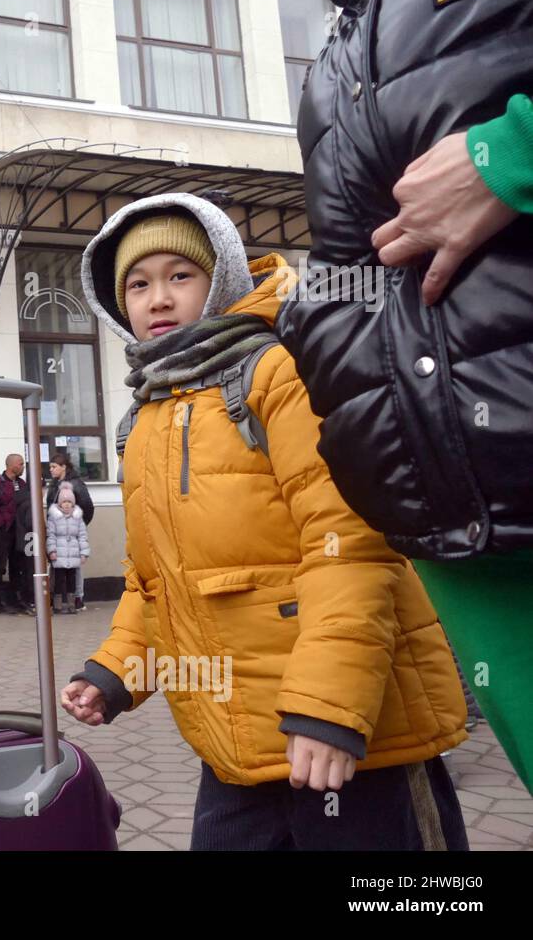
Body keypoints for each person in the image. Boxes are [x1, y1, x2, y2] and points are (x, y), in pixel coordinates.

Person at [61, 193, 470, 850]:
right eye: (138, 284)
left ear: (221, 275)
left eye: (179, 276)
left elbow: (351, 548)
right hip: (236, 746)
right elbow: (153, 581)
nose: (158, 299)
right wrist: (116, 672)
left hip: (355, 739)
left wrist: (330, 708)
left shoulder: (281, 371)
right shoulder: (144, 417)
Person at [276, 0, 533, 791]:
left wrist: (513, 153)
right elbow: (355, 255)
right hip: (451, 513)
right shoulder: (334, 58)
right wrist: (316, 330)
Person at [46, 452, 93, 609]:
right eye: (50, 467)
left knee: (75, 566)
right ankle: (57, 598)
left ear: (63, 467)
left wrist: (77, 524)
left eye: (54, 467)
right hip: (56, 530)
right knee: (55, 565)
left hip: (71, 532)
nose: (51, 470)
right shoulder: (53, 485)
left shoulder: (76, 484)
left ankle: (78, 598)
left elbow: (87, 506)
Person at [0, 454, 27, 611]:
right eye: (21, 464)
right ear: (12, 465)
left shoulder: (22, 483)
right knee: (0, 564)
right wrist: (2, 523)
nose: (23, 467)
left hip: (20, 531)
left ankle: (17, 598)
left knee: (18, 564)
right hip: (4, 531)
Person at [45, 483, 88, 615]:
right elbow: (50, 536)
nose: (67, 504)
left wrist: (84, 553)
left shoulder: (77, 517)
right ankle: (57, 605)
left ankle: (71, 604)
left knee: (72, 581)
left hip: (73, 554)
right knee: (58, 581)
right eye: (64, 502)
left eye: (70, 502)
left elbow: (82, 535)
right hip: (59, 555)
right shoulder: (54, 518)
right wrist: (52, 551)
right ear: (59, 503)